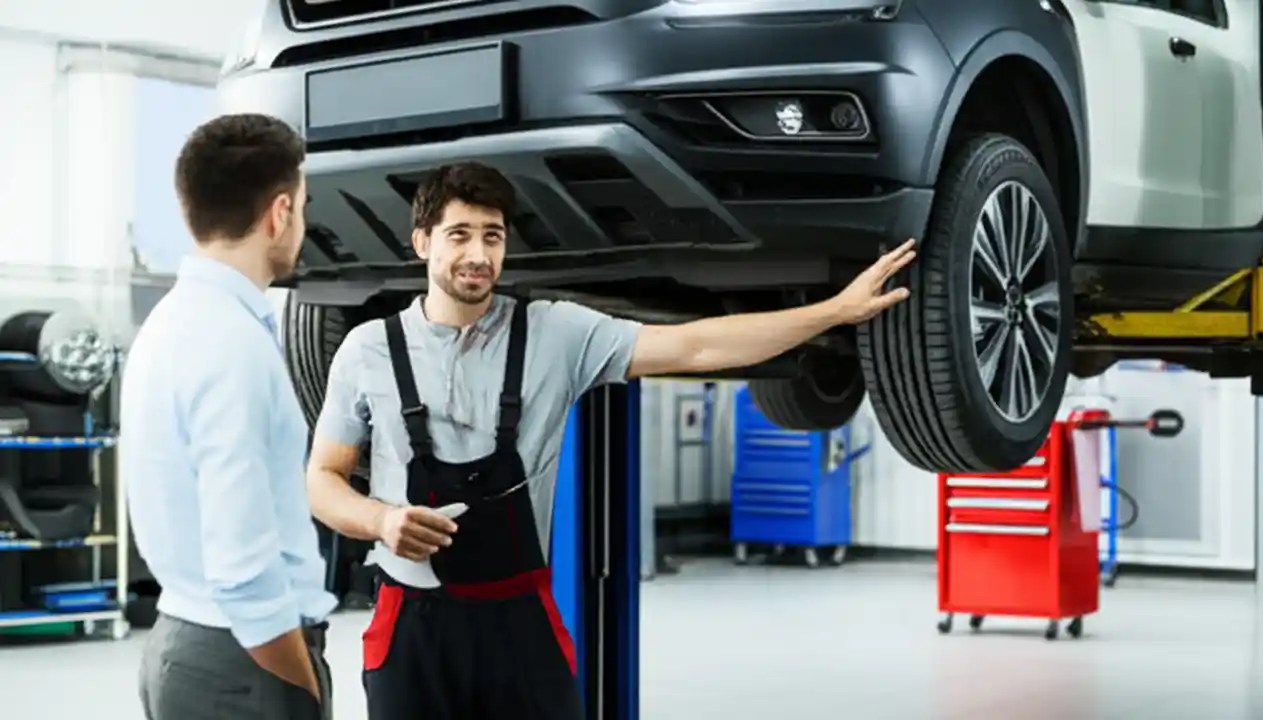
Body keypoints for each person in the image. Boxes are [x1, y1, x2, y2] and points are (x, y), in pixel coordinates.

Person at [305, 161, 915, 719]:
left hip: (519, 625)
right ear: (422, 243)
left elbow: (695, 345)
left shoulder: (555, 334)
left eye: (492, 236)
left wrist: (834, 311)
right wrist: (381, 521)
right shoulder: (368, 351)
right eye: (459, 234)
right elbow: (323, 481)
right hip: (412, 625)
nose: (478, 254)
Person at [121, 113, 337, 720]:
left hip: (188, 636)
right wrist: (303, 685)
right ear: (279, 213)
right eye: (303, 206)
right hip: (246, 661)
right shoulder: (231, 346)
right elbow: (242, 566)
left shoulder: (169, 324)